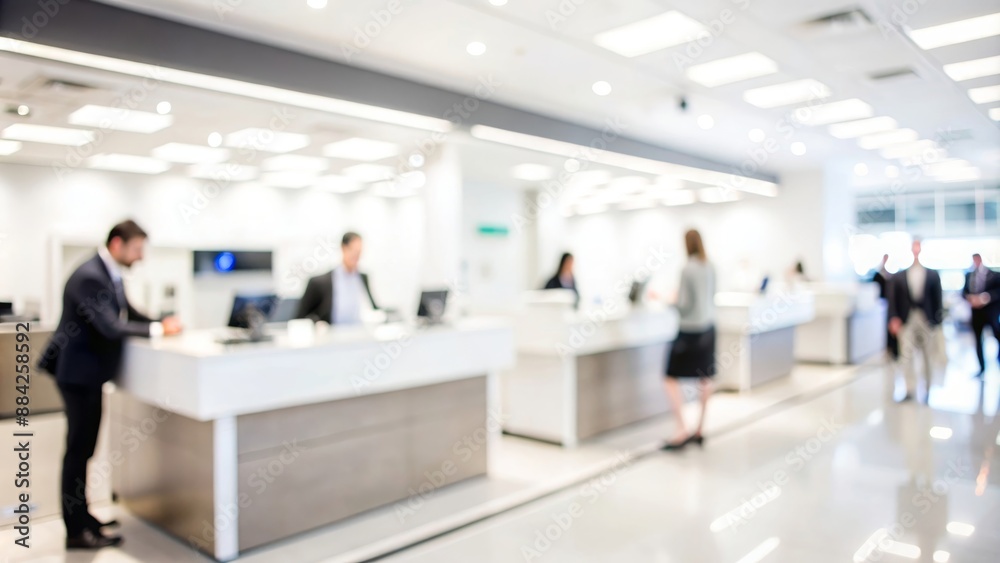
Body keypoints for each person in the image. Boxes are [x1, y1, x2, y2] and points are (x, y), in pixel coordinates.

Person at [38, 220, 181, 549]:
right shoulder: (90, 276)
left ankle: (85, 517)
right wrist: (159, 330)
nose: (141, 256)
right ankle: (76, 530)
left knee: (85, 450)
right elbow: (110, 327)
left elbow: (129, 312)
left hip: (89, 376)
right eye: (137, 249)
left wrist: (160, 321)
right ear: (117, 244)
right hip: (78, 376)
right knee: (78, 452)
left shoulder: (108, 273)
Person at [662, 229, 716, 451]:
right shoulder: (710, 266)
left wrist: (667, 300)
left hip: (690, 331)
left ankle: (682, 428)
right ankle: (700, 428)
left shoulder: (687, 269)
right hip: (709, 328)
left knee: (670, 377)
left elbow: (684, 305)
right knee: (705, 378)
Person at [887, 240, 943, 403]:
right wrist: (893, 318)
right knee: (906, 355)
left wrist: (936, 322)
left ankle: (928, 388)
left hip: (926, 320)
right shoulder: (900, 276)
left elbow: (938, 300)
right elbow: (893, 299)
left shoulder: (932, 275)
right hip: (907, 319)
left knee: (928, 355)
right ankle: (909, 389)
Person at [295, 232, 378, 324]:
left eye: (359, 252)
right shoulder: (320, 283)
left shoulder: (363, 278)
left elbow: (374, 307)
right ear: (343, 248)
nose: (356, 256)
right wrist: (317, 323)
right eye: (353, 250)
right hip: (332, 330)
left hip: (359, 329)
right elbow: (301, 317)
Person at [963, 253, 1000, 378]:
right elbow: (964, 292)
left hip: (990, 313)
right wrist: (970, 298)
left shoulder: (994, 275)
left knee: (997, 337)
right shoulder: (969, 275)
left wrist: (985, 298)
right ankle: (982, 368)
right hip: (976, 313)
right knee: (978, 341)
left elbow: (998, 292)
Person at [872, 254, 898, 360]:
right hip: (881, 305)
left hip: (891, 304)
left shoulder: (892, 276)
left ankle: (893, 349)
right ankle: (885, 348)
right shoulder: (877, 275)